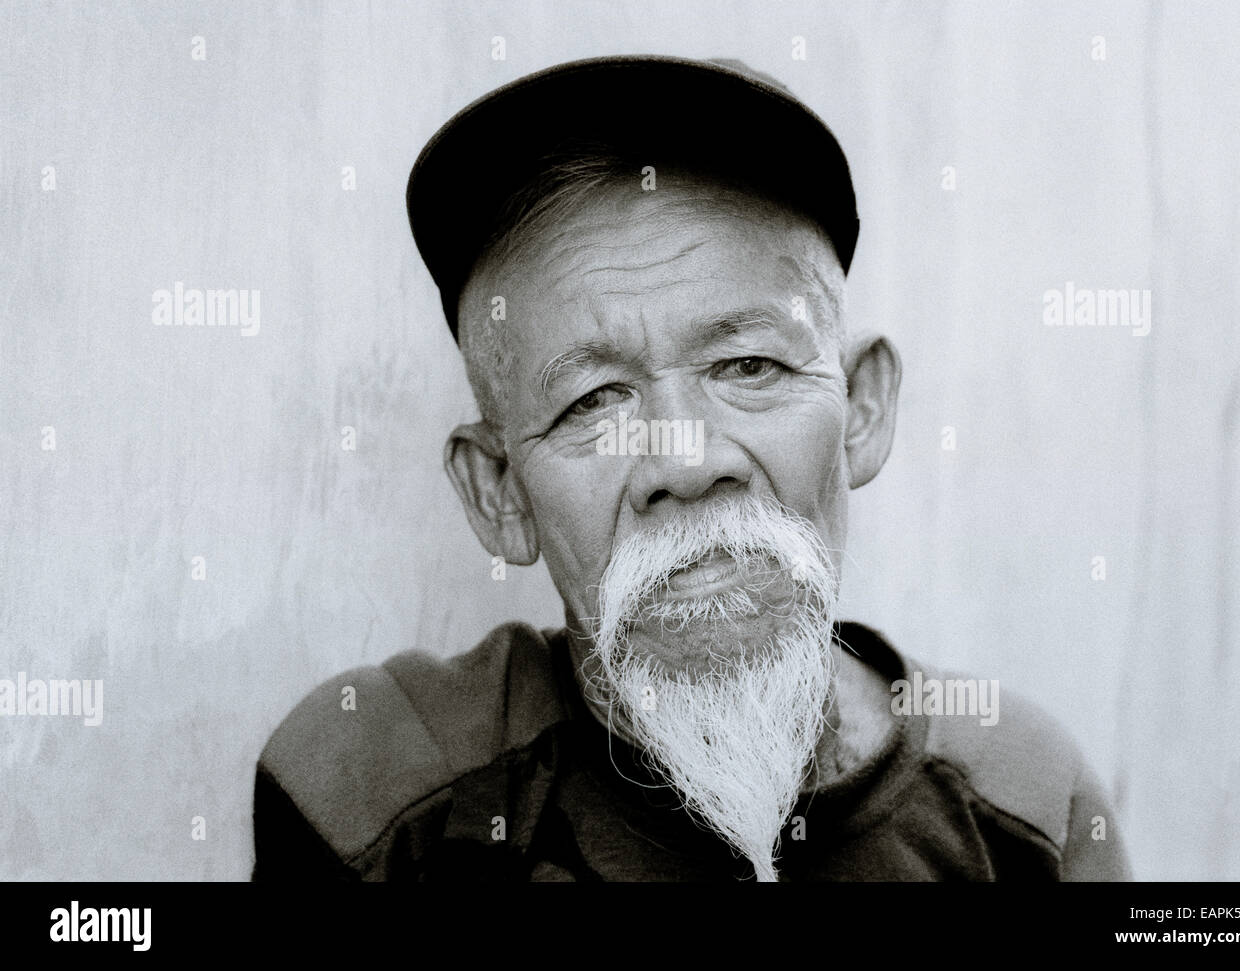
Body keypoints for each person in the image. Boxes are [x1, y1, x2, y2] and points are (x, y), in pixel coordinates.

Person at [251, 55, 1131, 882]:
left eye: (750, 367)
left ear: (862, 407)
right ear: (500, 492)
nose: (688, 460)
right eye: (593, 401)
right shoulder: (379, 799)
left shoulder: (1024, 808)